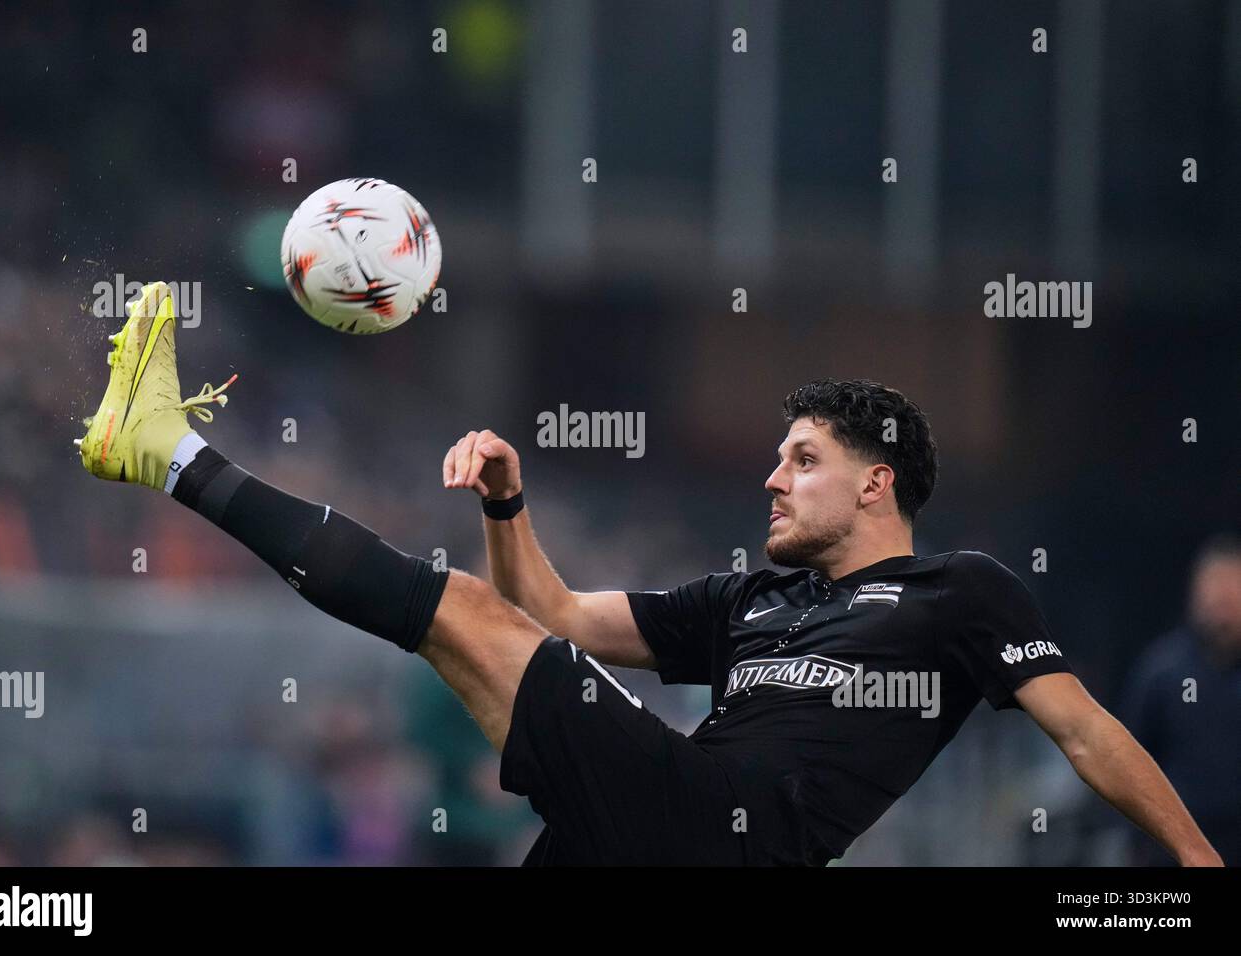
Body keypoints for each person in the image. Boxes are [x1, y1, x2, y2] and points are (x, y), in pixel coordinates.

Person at [74, 282, 1222, 866]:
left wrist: (1194, 860)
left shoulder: (960, 591)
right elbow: (558, 614)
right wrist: (506, 506)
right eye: (775, 455)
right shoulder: (748, 601)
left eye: (803, 459)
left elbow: (1084, 731)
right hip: (655, 825)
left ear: (879, 485)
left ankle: (168, 449)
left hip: (722, 833)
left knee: (459, 617)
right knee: (483, 609)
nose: (772, 478)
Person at [1120, 534, 1241, 865]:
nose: (1223, 600)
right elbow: (1128, 760)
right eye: (1214, 588)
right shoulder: (1161, 673)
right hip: (1175, 849)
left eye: (1232, 589)